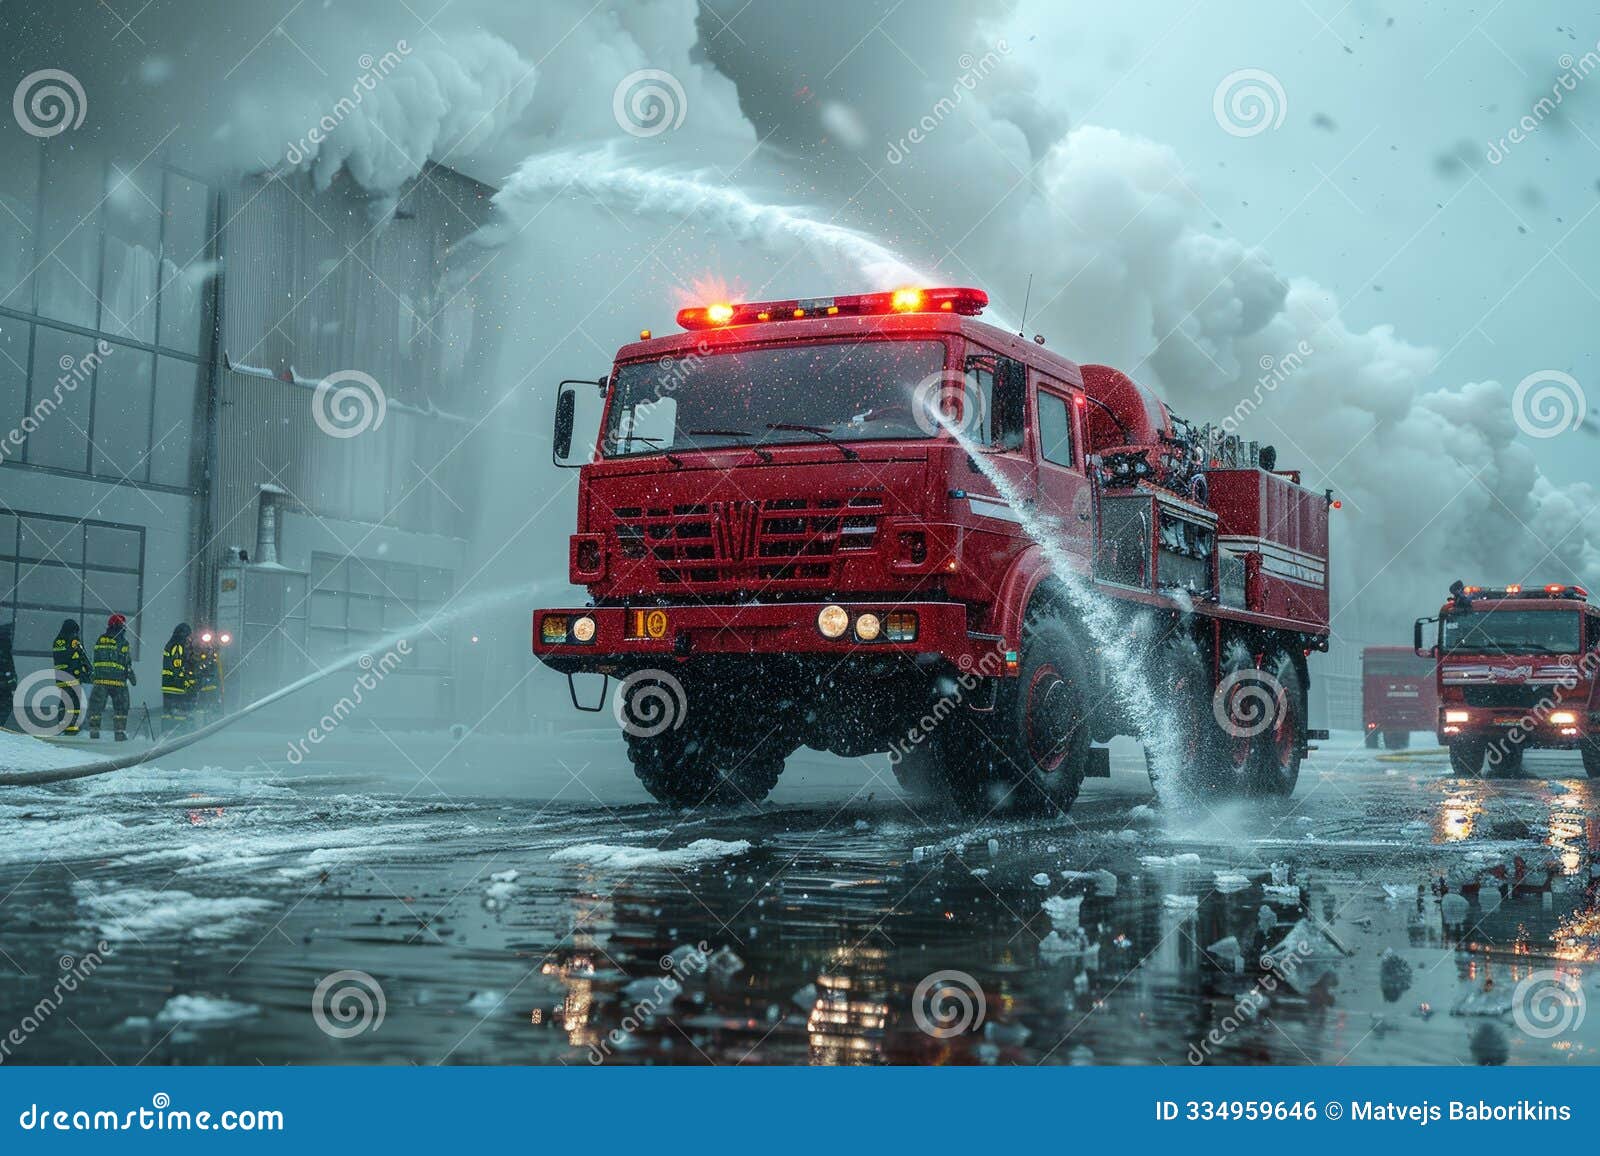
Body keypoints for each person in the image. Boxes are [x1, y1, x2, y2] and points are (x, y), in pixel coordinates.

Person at [87, 613, 136, 741]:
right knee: (121, 708)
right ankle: (119, 733)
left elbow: (95, 658)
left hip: (101, 681)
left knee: (96, 708)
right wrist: (131, 675)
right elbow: (126, 663)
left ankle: (94, 733)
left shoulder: (100, 640)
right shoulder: (123, 642)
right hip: (118, 682)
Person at [52, 619, 91, 735]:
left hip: (60, 676)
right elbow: (82, 655)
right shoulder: (73, 640)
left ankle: (62, 726)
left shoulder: (57, 641)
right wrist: (89, 670)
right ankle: (72, 729)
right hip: (72, 676)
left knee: (64, 701)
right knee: (75, 702)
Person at [161, 622, 196, 734]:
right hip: (177, 685)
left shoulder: (169, 645)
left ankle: (167, 732)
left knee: (168, 712)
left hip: (167, 685)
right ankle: (179, 733)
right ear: (183, 634)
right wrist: (186, 681)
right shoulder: (178, 646)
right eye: (188, 635)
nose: (189, 638)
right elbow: (177, 666)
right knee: (180, 712)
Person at [192, 629, 224, 724]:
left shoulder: (215, 660)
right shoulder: (199, 659)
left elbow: (219, 673)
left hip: (213, 689)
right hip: (203, 689)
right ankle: (203, 722)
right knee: (202, 708)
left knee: (211, 707)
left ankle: (212, 721)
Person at [0, 623, 16, 732]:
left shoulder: (5, 647)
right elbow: (8, 665)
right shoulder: (5, 645)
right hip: (5, 684)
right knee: (6, 705)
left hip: (5, 683)